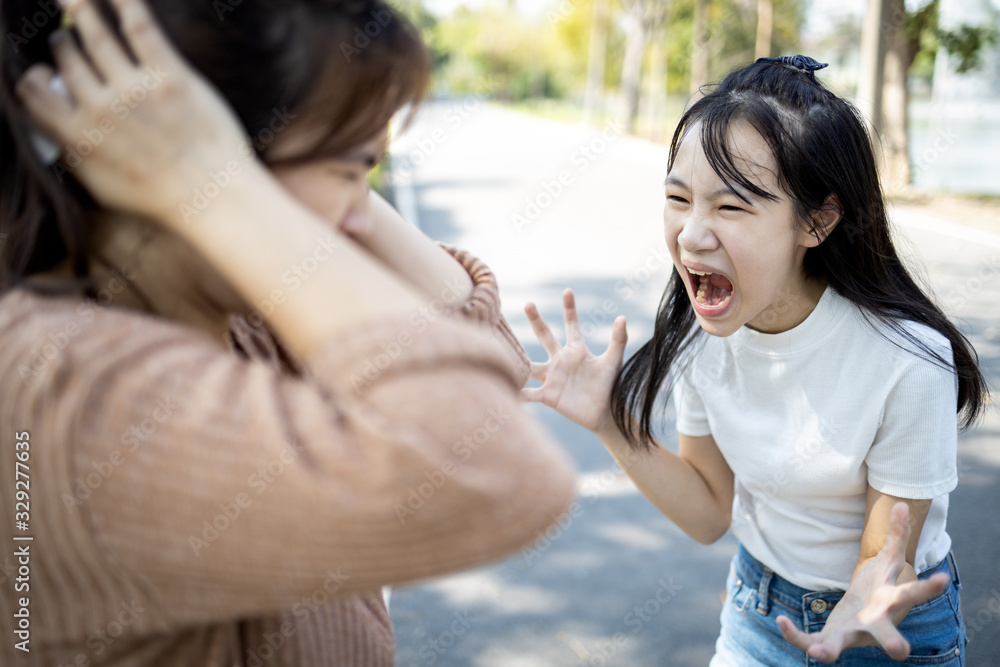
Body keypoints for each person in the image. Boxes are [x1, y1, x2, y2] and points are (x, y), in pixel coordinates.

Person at [0, 0, 575, 665]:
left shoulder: (243, 320)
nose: (361, 217)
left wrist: (257, 177)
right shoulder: (63, 390)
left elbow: (492, 369)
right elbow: (493, 466)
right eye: (351, 170)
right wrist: (216, 182)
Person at [523, 55, 987, 665]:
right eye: (678, 198)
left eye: (731, 206)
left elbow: (885, 559)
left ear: (817, 221)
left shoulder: (906, 359)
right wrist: (608, 422)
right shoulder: (701, 336)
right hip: (757, 607)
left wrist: (866, 605)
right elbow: (708, 512)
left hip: (887, 632)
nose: (691, 235)